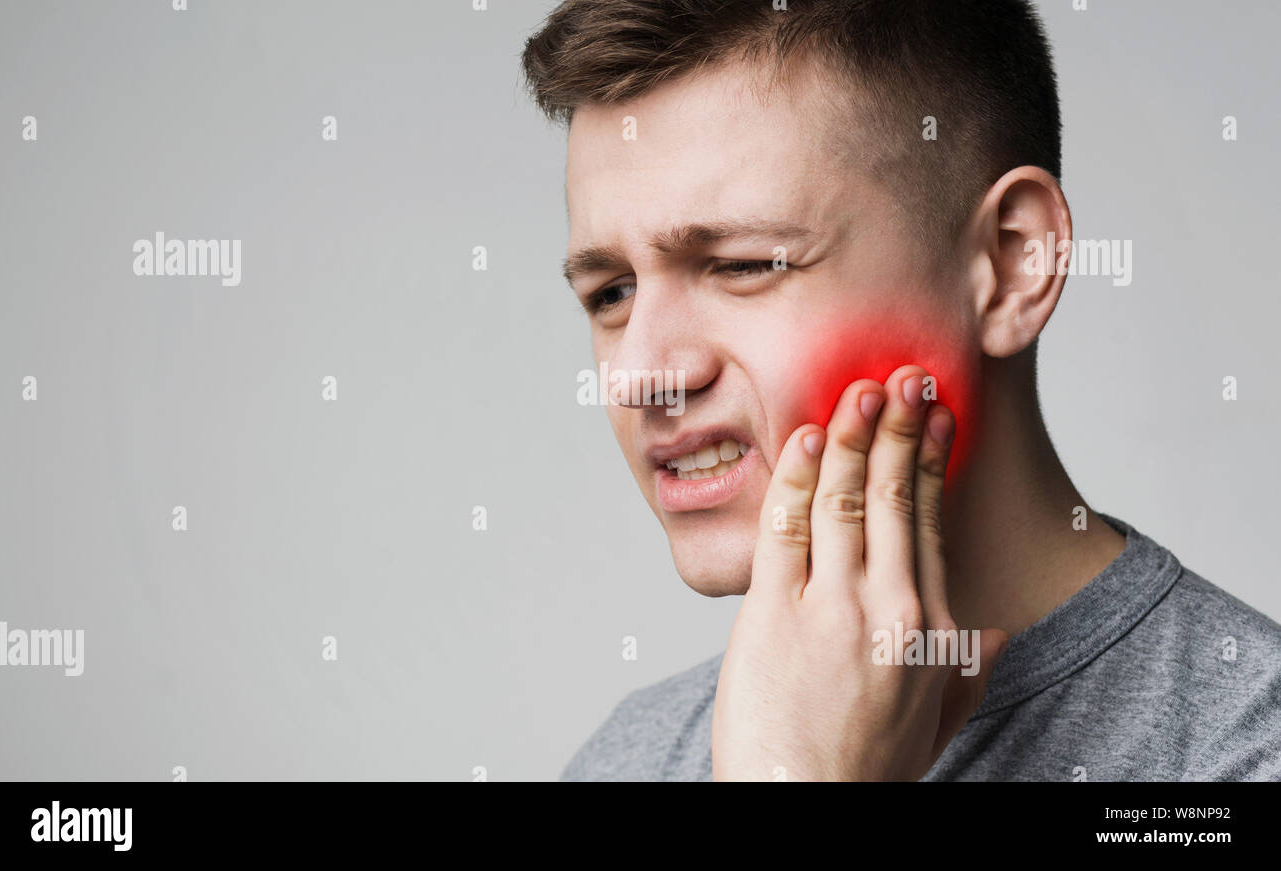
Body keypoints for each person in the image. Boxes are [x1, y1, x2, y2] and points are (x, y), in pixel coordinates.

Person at [521, 0, 1281, 781]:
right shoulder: (623, 759)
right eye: (610, 292)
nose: (641, 372)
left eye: (742, 264)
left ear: (1011, 263)